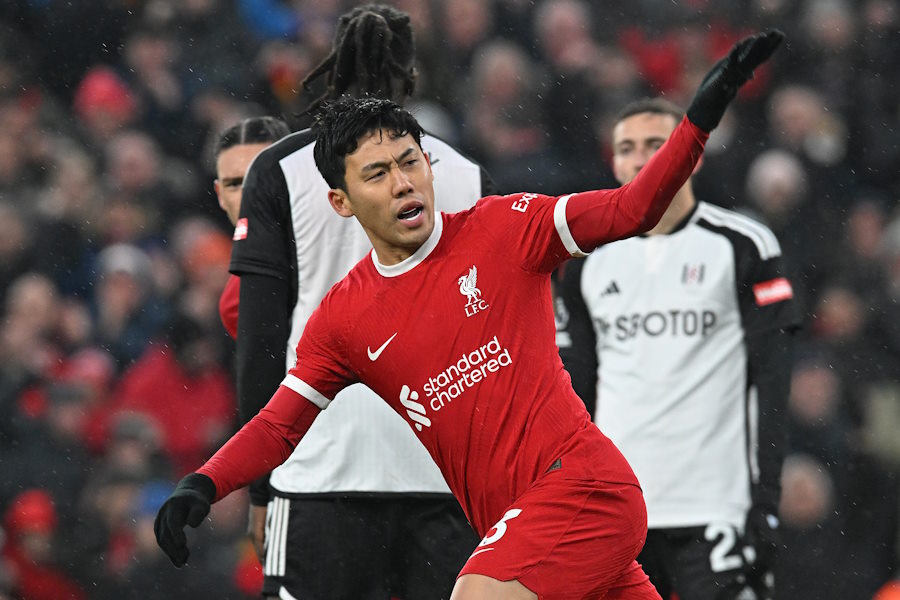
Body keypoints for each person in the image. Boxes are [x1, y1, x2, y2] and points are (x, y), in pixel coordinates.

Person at [156, 30, 784, 599]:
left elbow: (632, 208)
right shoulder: (343, 318)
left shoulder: (505, 228)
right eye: (377, 173)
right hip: (523, 526)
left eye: (410, 162)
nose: (403, 183)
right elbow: (278, 427)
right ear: (342, 202)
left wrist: (700, 115)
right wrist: (203, 484)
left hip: (582, 488)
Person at [220, 5, 487, 599]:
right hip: (441, 477)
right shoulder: (465, 174)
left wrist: (260, 486)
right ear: (409, 73)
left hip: (320, 470)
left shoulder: (281, 168)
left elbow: (261, 341)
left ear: (333, 65)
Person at [554, 96, 800, 600]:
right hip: (618, 512)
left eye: (656, 144)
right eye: (627, 148)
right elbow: (572, 391)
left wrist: (765, 498)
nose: (641, 159)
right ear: (614, 162)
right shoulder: (585, 260)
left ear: (692, 156)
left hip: (716, 507)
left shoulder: (745, 245)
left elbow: (771, 381)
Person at [212, 115, 291, 339]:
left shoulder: (359, 231)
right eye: (234, 184)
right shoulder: (236, 302)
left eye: (261, 177)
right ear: (220, 195)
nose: (248, 194)